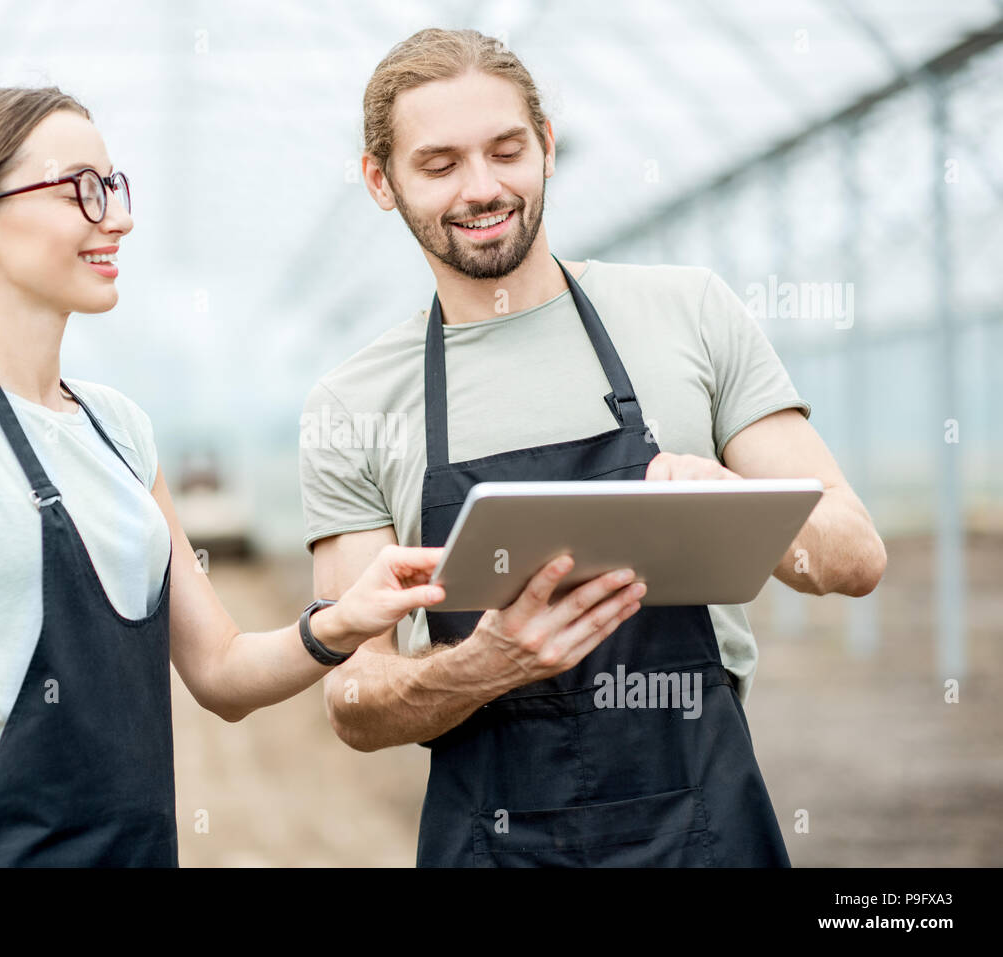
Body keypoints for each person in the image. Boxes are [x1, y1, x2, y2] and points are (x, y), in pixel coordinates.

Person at [0, 86, 447, 867]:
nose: (117, 217)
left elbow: (221, 674)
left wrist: (343, 618)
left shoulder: (119, 428)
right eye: (80, 191)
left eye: (113, 186)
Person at [300, 28, 887, 867]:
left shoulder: (690, 314)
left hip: (704, 826)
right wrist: (483, 665)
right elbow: (354, 696)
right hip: (494, 843)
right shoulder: (356, 404)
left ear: (545, 144)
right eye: (439, 165)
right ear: (379, 180)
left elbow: (855, 556)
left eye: (507, 150)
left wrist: (739, 506)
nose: (483, 187)